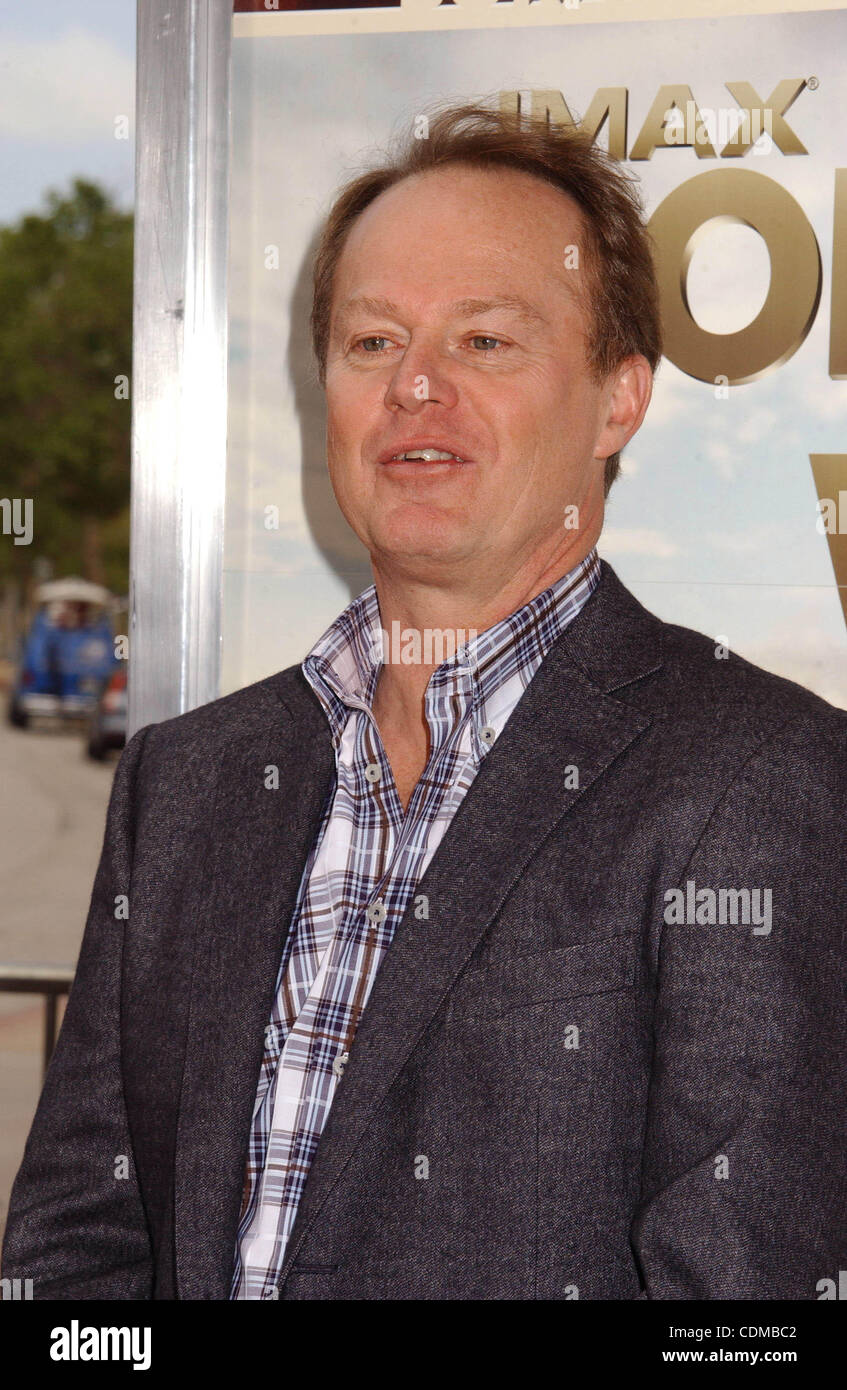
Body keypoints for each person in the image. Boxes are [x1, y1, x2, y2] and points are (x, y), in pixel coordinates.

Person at [3, 101, 845, 1301]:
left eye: (486, 341)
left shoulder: (758, 778)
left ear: (619, 398)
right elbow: (77, 1252)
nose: (414, 389)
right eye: (372, 342)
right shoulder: (184, 781)